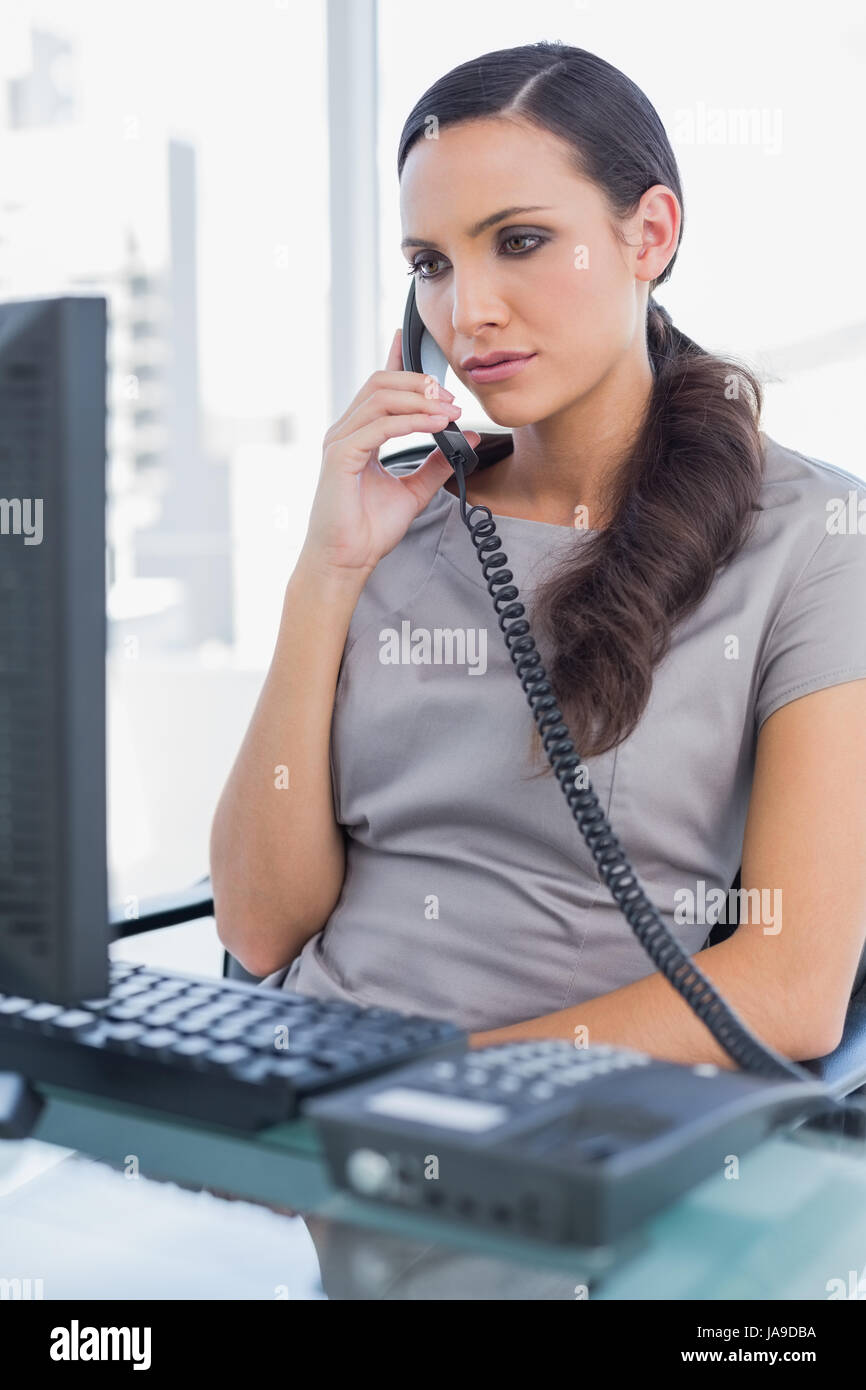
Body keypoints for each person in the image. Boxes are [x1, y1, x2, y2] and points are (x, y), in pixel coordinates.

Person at [209, 41, 866, 1067]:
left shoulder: (811, 537)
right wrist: (326, 572)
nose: (464, 311)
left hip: (556, 1147)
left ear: (646, 234)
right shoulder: (398, 518)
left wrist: (428, 1078)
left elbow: (791, 992)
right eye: (428, 263)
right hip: (308, 1110)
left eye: (516, 241)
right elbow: (257, 932)